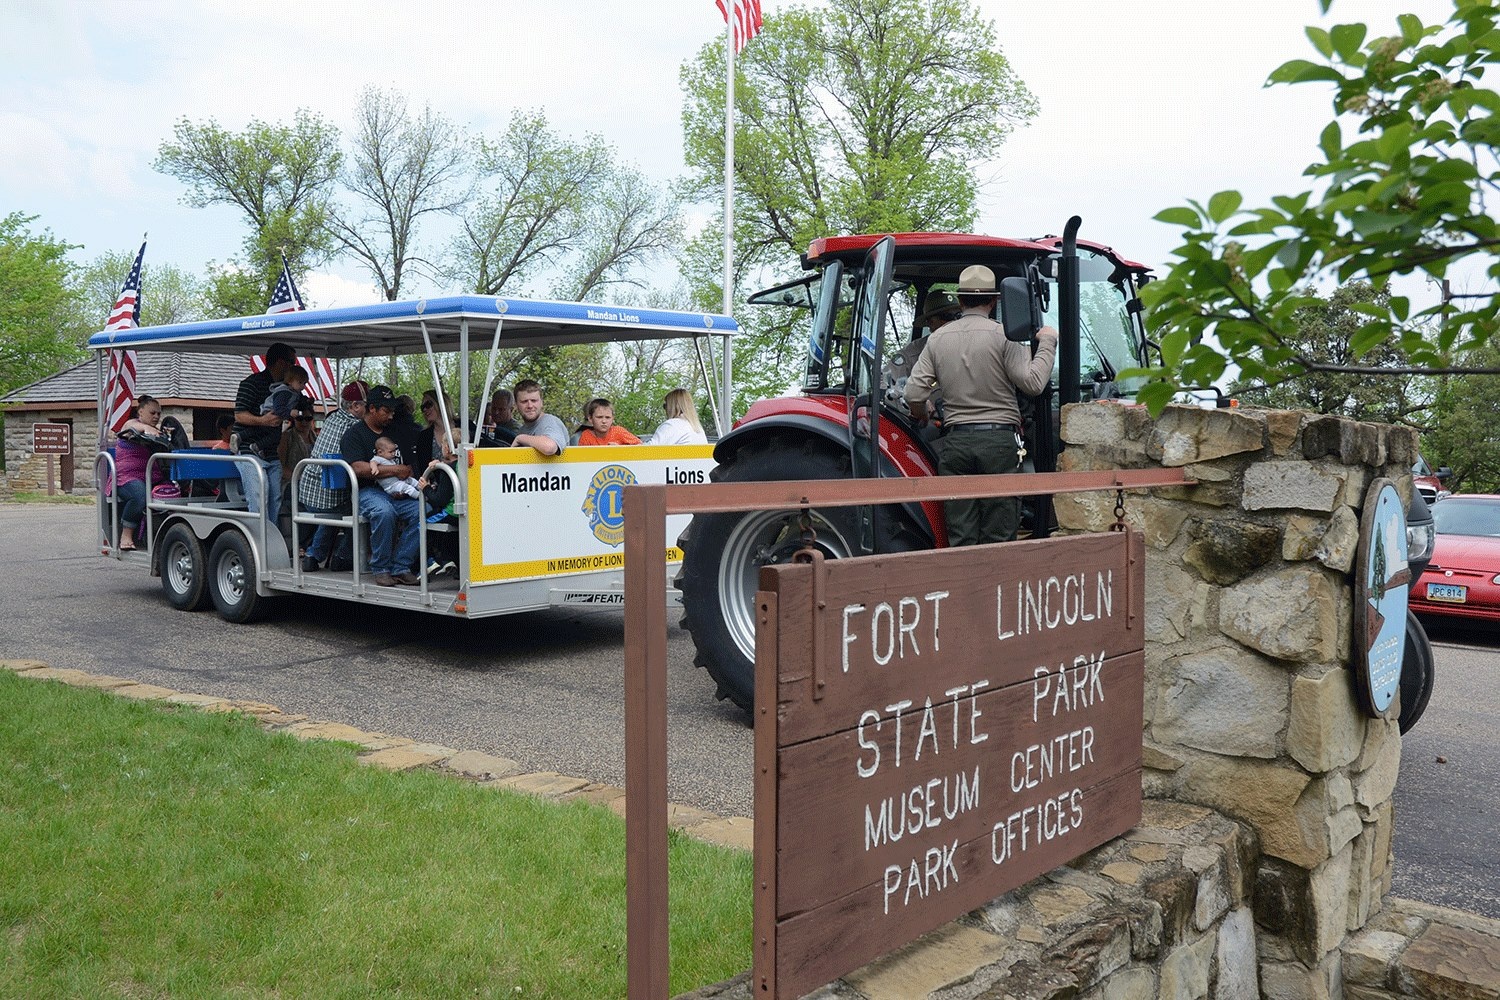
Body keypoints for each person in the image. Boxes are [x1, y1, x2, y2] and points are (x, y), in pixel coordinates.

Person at [903, 264, 1058, 546]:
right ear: (994, 300)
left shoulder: (936, 340)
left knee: (961, 535)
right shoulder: (1004, 336)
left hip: (956, 444)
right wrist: (1047, 343)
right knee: (999, 533)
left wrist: (922, 415)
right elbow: (1033, 384)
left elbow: (914, 393)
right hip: (998, 443)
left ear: (961, 300)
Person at [340, 385, 422, 587]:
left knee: (423, 510)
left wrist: (404, 481)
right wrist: (395, 471)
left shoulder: (396, 432)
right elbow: (359, 468)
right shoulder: (354, 434)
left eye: (393, 411)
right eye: (386, 411)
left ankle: (401, 566)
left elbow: (410, 463)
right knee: (384, 512)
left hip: (398, 488)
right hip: (368, 491)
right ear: (372, 409)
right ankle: (381, 568)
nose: (391, 416)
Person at [297, 380, 368, 573]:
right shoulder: (355, 426)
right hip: (327, 489)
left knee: (337, 511)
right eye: (367, 406)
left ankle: (313, 556)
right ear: (355, 406)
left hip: (306, 488)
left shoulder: (332, 417)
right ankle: (343, 556)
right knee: (362, 511)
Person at [233, 342, 296, 526]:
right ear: (281, 363)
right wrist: (263, 421)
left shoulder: (287, 388)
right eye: (292, 362)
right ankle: (259, 545)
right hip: (248, 451)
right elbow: (239, 415)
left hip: (270, 451)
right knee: (259, 496)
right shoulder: (251, 383)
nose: (294, 367)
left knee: (275, 498)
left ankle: (271, 539)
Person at [110, 394, 168, 551]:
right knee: (140, 496)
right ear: (140, 412)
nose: (156, 416)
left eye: (158, 413)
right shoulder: (132, 425)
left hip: (151, 476)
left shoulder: (155, 431)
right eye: (152, 413)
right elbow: (134, 428)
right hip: (126, 477)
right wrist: (148, 428)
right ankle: (126, 535)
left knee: (174, 493)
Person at [510, 379, 569, 455]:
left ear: (541, 402)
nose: (530, 406)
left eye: (534, 401)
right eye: (524, 401)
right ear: (516, 405)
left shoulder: (550, 422)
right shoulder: (523, 430)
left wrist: (521, 438)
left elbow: (549, 447)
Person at [576, 398, 641, 446]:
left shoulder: (618, 431)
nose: (604, 421)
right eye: (599, 417)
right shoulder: (586, 436)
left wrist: (621, 449)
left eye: (607, 417)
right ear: (590, 418)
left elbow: (640, 446)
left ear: (612, 418)